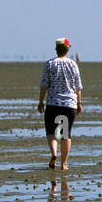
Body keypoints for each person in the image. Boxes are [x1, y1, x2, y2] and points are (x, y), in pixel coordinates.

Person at [39, 38, 82, 171]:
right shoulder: (73, 64)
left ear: (56, 49)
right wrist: (79, 102)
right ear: (68, 49)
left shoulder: (50, 64)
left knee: (51, 132)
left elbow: (44, 84)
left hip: (53, 103)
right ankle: (63, 164)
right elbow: (78, 86)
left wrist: (41, 101)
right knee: (65, 134)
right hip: (69, 104)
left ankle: (54, 154)